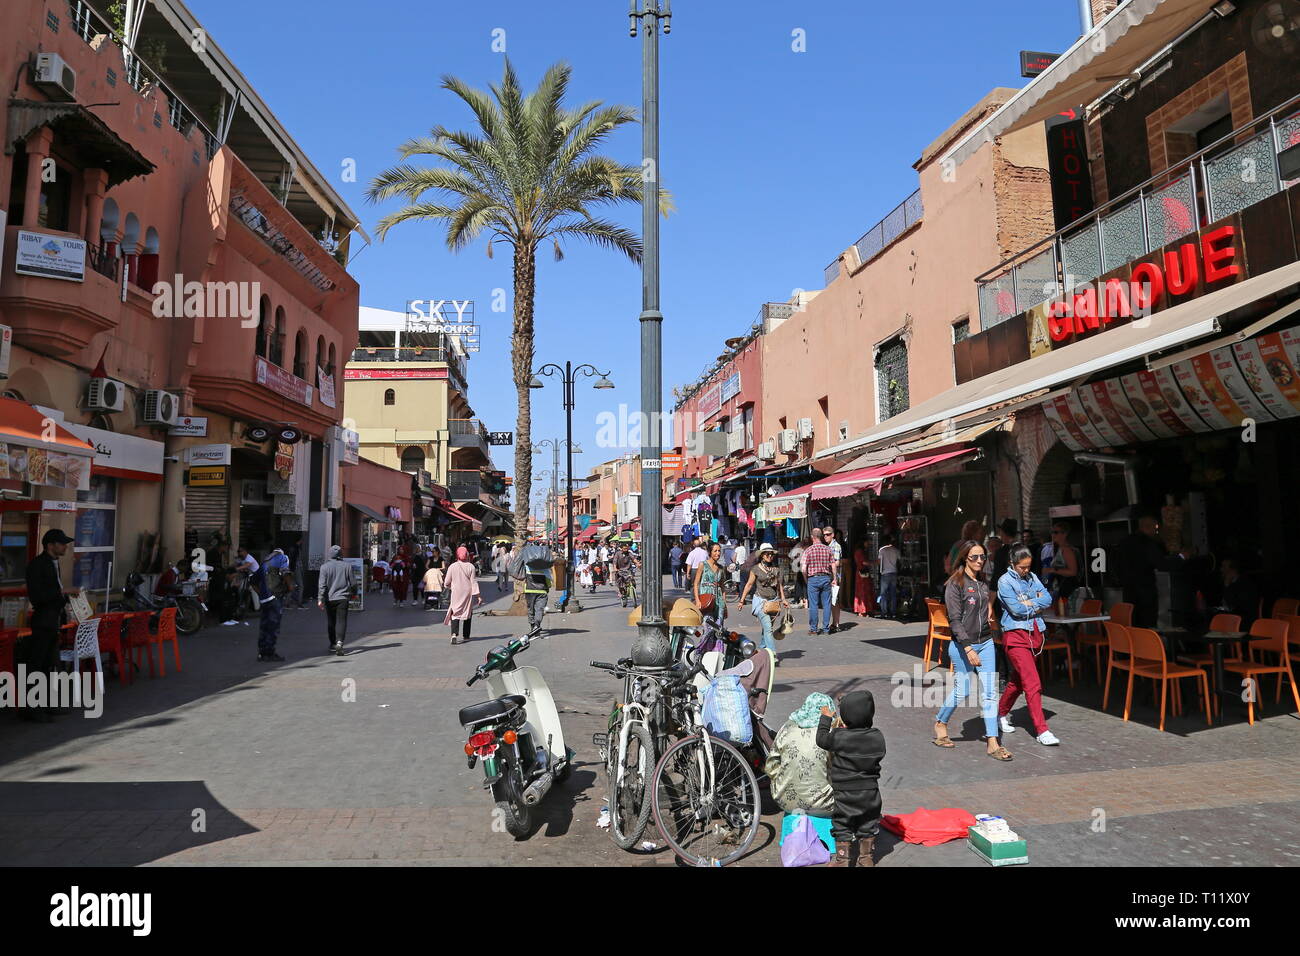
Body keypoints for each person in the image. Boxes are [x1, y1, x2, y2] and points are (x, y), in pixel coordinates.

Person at [933, 540, 1010, 760]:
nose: (979, 561)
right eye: (974, 557)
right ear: (964, 558)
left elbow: (984, 603)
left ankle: (993, 742)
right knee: (963, 690)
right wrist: (967, 648)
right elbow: (954, 620)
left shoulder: (983, 582)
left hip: (985, 642)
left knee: (989, 692)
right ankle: (941, 721)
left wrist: (988, 612)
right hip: (962, 645)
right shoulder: (955, 583)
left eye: (982, 557)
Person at [995, 545, 1059, 746]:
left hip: (1035, 635)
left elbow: (1048, 597)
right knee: (1032, 683)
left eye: (1028, 567)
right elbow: (1015, 610)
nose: (1026, 571)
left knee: (1018, 681)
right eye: (1022, 567)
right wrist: (1034, 602)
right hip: (1015, 636)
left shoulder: (1032, 577)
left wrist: (1029, 604)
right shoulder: (1004, 581)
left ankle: (998, 714)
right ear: (1012, 564)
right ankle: (1042, 730)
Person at [816, 690, 886, 868]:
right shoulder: (877, 737)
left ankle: (842, 860)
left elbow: (821, 739)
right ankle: (866, 858)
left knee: (842, 823)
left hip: (844, 792)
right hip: (870, 792)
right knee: (868, 823)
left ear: (846, 717)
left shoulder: (839, 736)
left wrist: (825, 718)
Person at [19, 529, 77, 721]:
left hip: (53, 620)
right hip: (43, 621)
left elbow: (54, 592)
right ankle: (32, 709)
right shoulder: (37, 565)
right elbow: (37, 597)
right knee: (37, 664)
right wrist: (62, 593)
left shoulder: (54, 563)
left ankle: (47, 705)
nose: (65, 546)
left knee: (49, 665)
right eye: (62, 543)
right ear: (50, 545)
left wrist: (66, 599)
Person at [766, 692, 836, 819]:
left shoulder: (787, 727)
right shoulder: (830, 733)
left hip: (783, 801)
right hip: (824, 805)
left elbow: (771, 765)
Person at [1116, 515, 1186, 628]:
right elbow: (1162, 564)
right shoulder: (1147, 543)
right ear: (1149, 527)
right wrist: (1182, 557)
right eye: (1155, 528)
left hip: (1129, 592)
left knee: (1134, 625)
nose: (1156, 531)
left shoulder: (1125, 542)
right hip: (1145, 593)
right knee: (1147, 625)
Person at [738, 542, 787, 659]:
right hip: (761, 602)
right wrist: (741, 600)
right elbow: (749, 584)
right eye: (767, 554)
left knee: (767, 628)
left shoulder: (776, 569)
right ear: (761, 555)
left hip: (773, 602)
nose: (770, 556)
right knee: (768, 628)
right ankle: (772, 654)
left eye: (771, 554)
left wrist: (783, 599)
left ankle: (760, 649)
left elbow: (779, 585)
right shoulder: (755, 569)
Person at [256, 551, 291, 663]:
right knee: (273, 626)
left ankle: (262, 653)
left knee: (264, 625)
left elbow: (252, 580)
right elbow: (285, 572)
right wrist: (290, 587)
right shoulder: (282, 558)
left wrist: (261, 593)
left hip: (264, 599)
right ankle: (270, 653)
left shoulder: (264, 562)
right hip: (275, 597)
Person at [317, 545, 352, 656]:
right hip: (343, 597)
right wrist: (354, 593)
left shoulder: (324, 567)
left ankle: (332, 643)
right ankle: (340, 642)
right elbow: (354, 583)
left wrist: (320, 599)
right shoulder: (347, 566)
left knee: (331, 621)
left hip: (329, 598)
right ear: (341, 554)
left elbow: (322, 585)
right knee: (342, 621)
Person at [443, 546, 481, 644]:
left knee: (455, 613)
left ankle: (454, 634)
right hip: (467, 593)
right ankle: (466, 636)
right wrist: (478, 596)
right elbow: (474, 582)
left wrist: (451, 587)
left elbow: (446, 582)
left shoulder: (452, 566)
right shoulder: (471, 566)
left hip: (456, 593)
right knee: (467, 613)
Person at [801, 530, 835, 635]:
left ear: (812, 537)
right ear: (821, 537)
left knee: (814, 604)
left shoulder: (808, 550)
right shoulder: (828, 549)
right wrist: (834, 579)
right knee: (827, 604)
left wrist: (807, 580)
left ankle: (814, 629)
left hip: (813, 579)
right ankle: (826, 628)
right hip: (825, 578)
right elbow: (833, 565)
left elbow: (803, 569)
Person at [1043, 521, 1081, 608]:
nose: (1053, 535)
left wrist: (1052, 570)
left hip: (1069, 590)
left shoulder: (1066, 550)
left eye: (1056, 532)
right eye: (1052, 532)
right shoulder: (1060, 549)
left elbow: (1073, 572)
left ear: (1064, 534)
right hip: (1062, 588)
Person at [1217, 558, 1259, 627]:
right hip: (1231, 618)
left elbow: (1234, 605)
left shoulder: (1245, 584)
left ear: (1233, 570)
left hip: (1244, 620)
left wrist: (1227, 585)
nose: (1221, 569)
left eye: (1224, 567)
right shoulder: (1227, 583)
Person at [693, 541, 728, 624]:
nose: (718, 553)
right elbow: (695, 584)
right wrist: (697, 600)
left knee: (719, 628)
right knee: (708, 626)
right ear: (710, 552)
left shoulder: (721, 568)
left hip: (719, 600)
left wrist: (724, 602)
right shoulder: (703, 565)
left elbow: (722, 587)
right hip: (706, 598)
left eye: (719, 551)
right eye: (715, 551)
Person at [523, 556, 552, 638]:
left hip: (529, 591)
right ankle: (537, 625)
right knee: (539, 609)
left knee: (531, 609)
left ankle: (532, 625)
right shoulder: (545, 569)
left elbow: (522, 576)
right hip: (542, 591)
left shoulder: (527, 567)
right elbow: (549, 583)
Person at [824, 527, 844, 633]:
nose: (825, 536)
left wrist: (825, 564)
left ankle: (836, 623)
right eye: (824, 535)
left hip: (834, 577)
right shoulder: (828, 546)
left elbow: (836, 562)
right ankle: (834, 623)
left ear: (833, 535)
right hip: (830, 576)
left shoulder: (836, 546)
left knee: (834, 600)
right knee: (832, 601)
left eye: (827, 534)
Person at [877, 534, 900, 619]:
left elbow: (879, 562)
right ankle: (893, 612)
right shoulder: (896, 550)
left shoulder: (882, 550)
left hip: (885, 573)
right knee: (893, 593)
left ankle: (884, 612)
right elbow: (899, 560)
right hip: (894, 572)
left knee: (883, 594)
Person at [614, 543, 637, 607]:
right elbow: (615, 561)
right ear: (621, 548)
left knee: (632, 581)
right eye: (624, 548)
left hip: (628, 570)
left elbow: (633, 559)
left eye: (627, 548)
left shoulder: (629, 553)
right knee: (621, 584)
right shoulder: (618, 553)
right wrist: (615, 568)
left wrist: (637, 563)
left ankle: (633, 592)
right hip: (620, 571)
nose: (626, 549)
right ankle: (623, 595)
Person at [788, 537, 806, 607]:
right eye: (805, 538)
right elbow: (791, 555)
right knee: (800, 582)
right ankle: (801, 598)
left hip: (803, 566)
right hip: (800, 566)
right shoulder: (800, 545)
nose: (806, 539)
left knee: (801, 582)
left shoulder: (808, 545)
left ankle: (802, 599)